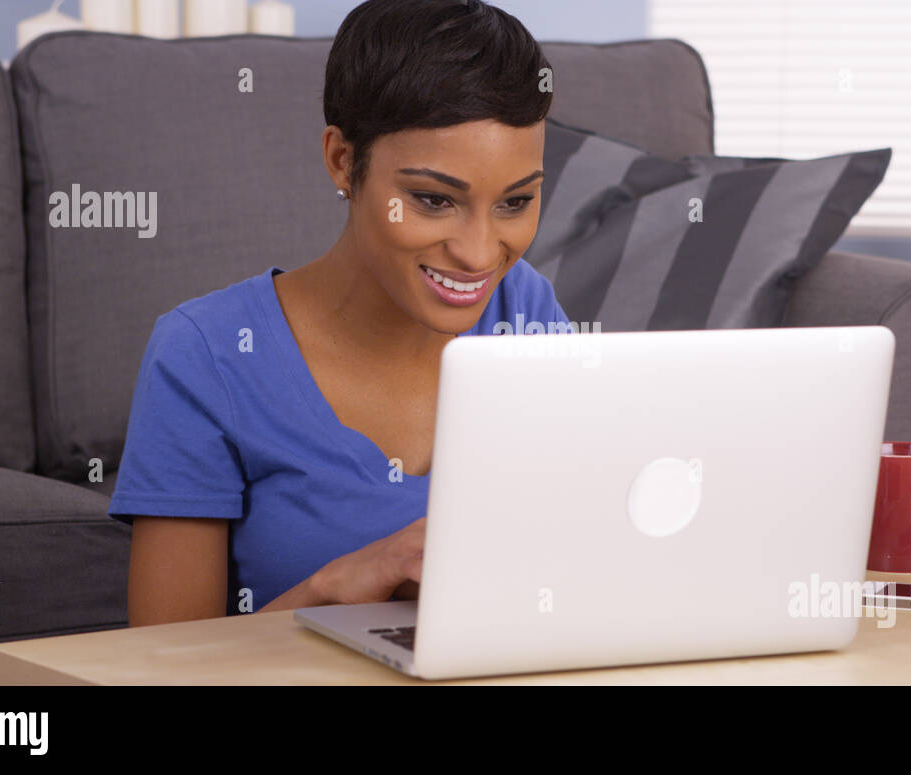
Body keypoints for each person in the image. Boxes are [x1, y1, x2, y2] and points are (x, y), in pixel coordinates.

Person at [109, 0, 570, 625]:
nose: (479, 253)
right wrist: (336, 589)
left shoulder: (527, 312)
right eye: (433, 200)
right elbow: (157, 667)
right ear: (343, 162)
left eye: (515, 202)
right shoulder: (207, 354)